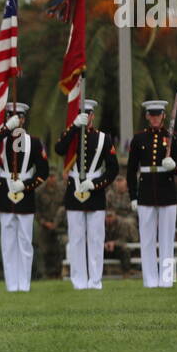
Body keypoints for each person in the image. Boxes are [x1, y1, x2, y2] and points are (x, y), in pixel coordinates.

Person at [53, 98, 120, 290]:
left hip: (95, 190)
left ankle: (95, 280)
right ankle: (79, 280)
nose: (86, 117)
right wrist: (74, 126)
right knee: (76, 237)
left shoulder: (103, 138)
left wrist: (96, 183)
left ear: (93, 116)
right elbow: (59, 149)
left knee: (96, 237)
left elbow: (113, 169)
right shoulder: (72, 135)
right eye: (82, 113)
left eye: (89, 114)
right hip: (74, 187)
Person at [0, 101, 48, 292]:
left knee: (25, 241)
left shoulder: (34, 142)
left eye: (18, 117)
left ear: (24, 119)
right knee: (8, 242)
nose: (16, 120)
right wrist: (4, 128)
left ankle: (24, 283)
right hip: (5, 192)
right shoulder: (1, 141)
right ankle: (11, 284)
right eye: (12, 117)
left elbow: (42, 172)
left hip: (25, 193)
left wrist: (27, 185)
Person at [126, 99, 177, 288]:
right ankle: (150, 280)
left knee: (168, 239)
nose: (154, 119)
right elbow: (130, 171)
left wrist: (173, 166)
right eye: (151, 115)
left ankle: (167, 279)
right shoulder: (138, 139)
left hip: (166, 192)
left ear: (163, 116)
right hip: (145, 193)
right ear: (147, 117)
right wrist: (133, 196)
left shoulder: (173, 138)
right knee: (147, 240)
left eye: (158, 115)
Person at [35, 172, 66, 281]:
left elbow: (64, 207)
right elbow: (36, 210)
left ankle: (59, 274)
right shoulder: (39, 192)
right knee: (46, 252)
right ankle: (48, 275)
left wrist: (57, 222)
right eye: (50, 177)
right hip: (45, 227)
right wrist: (44, 222)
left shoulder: (62, 190)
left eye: (54, 176)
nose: (52, 179)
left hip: (59, 226)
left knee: (59, 251)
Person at [103, 210, 138, 279]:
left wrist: (114, 243)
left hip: (117, 248)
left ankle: (126, 273)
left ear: (115, 216)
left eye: (111, 216)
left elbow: (124, 239)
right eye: (107, 217)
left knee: (125, 250)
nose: (109, 219)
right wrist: (103, 244)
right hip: (104, 248)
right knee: (95, 250)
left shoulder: (122, 224)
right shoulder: (100, 224)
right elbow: (96, 238)